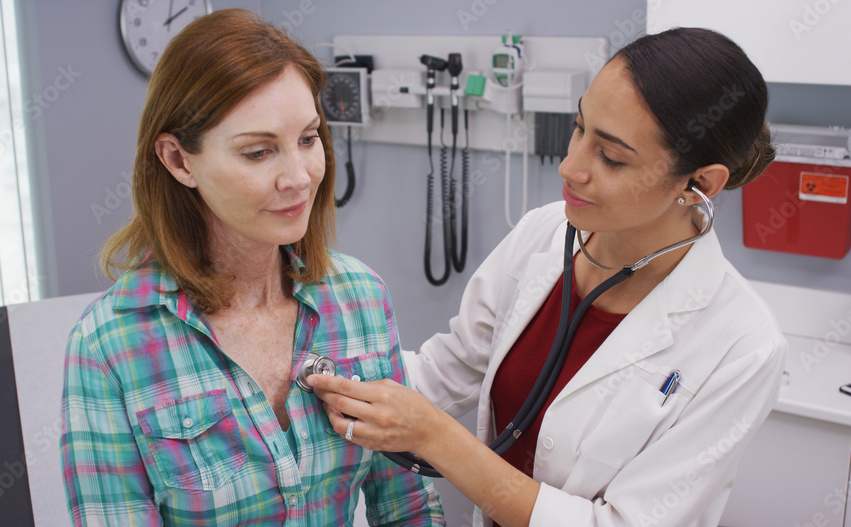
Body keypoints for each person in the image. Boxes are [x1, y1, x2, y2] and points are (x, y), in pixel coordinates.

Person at [308, 27, 787, 527]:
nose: (570, 167)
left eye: (612, 157)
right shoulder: (542, 232)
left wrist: (435, 438)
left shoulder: (743, 346)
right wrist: (317, 371)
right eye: (579, 128)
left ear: (699, 183)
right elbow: (445, 372)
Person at [59, 9, 443, 526]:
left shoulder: (361, 299)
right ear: (178, 160)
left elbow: (409, 508)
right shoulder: (110, 347)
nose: (300, 177)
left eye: (308, 139)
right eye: (259, 152)